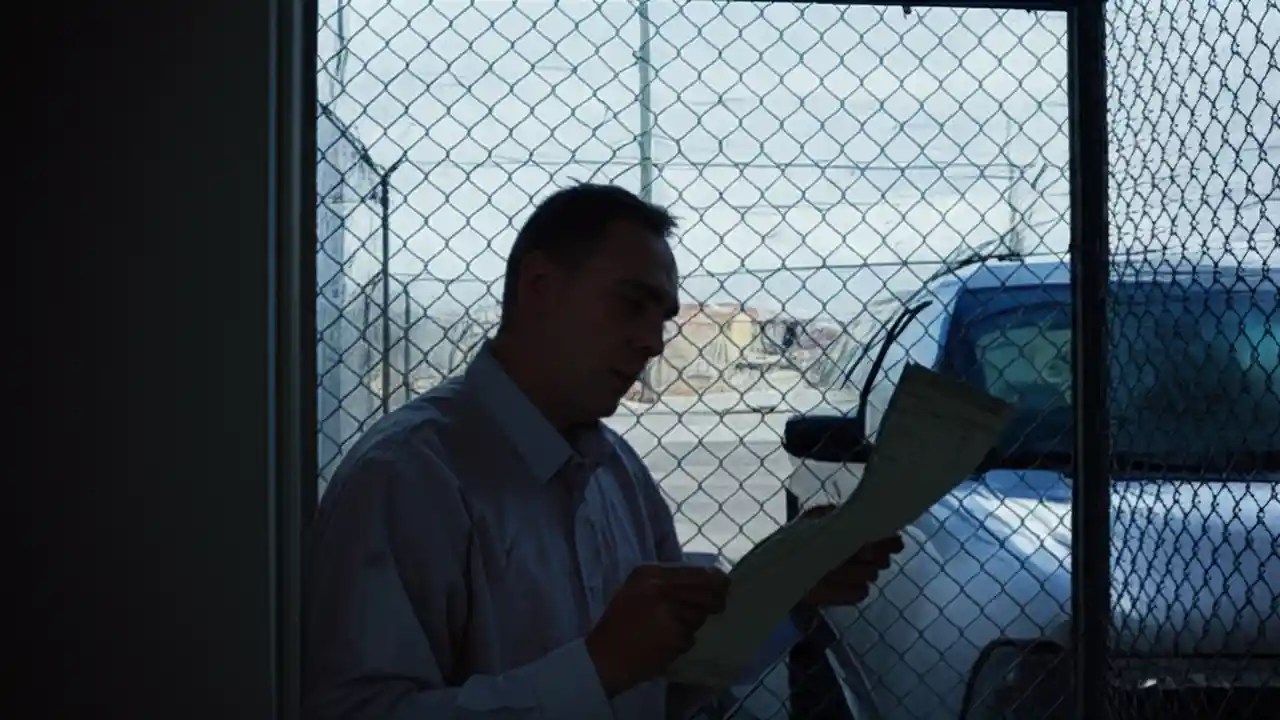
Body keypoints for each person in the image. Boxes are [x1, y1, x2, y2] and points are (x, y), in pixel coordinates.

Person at [303, 183, 904, 719]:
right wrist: (598, 669)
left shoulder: (619, 473)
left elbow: (670, 679)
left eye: (662, 317)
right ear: (539, 288)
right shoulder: (407, 478)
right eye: (630, 304)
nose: (654, 343)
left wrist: (787, 589)